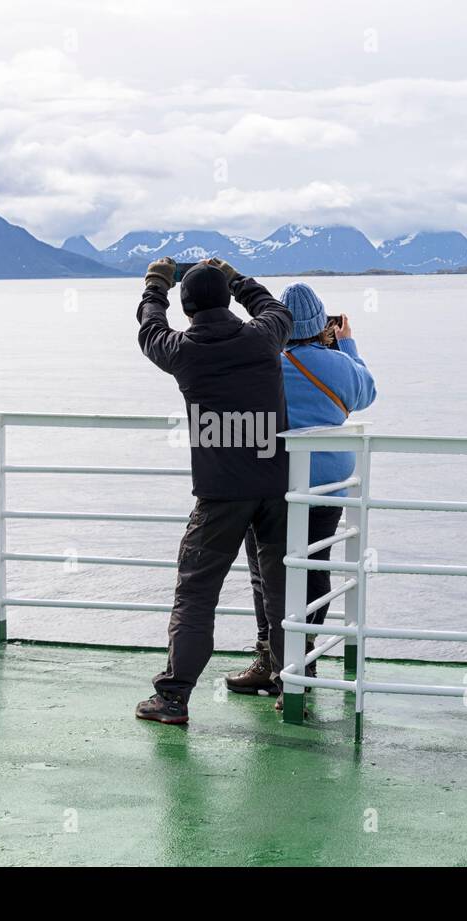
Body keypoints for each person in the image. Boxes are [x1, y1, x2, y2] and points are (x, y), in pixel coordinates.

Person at [133, 256, 294, 725]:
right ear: (227, 299)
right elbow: (275, 308)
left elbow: (148, 328)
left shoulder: (183, 351)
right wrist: (238, 277)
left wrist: (155, 283)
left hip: (220, 495)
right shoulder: (264, 337)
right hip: (276, 487)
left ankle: (174, 699)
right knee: (283, 590)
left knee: (196, 595)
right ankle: (291, 685)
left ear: (187, 310)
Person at [226, 282, 377, 697]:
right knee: (315, 567)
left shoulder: (265, 361)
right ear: (322, 324)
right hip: (328, 486)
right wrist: (348, 345)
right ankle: (303, 656)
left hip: (272, 482)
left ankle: (269, 658)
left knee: (263, 571)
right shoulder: (339, 365)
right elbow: (368, 392)